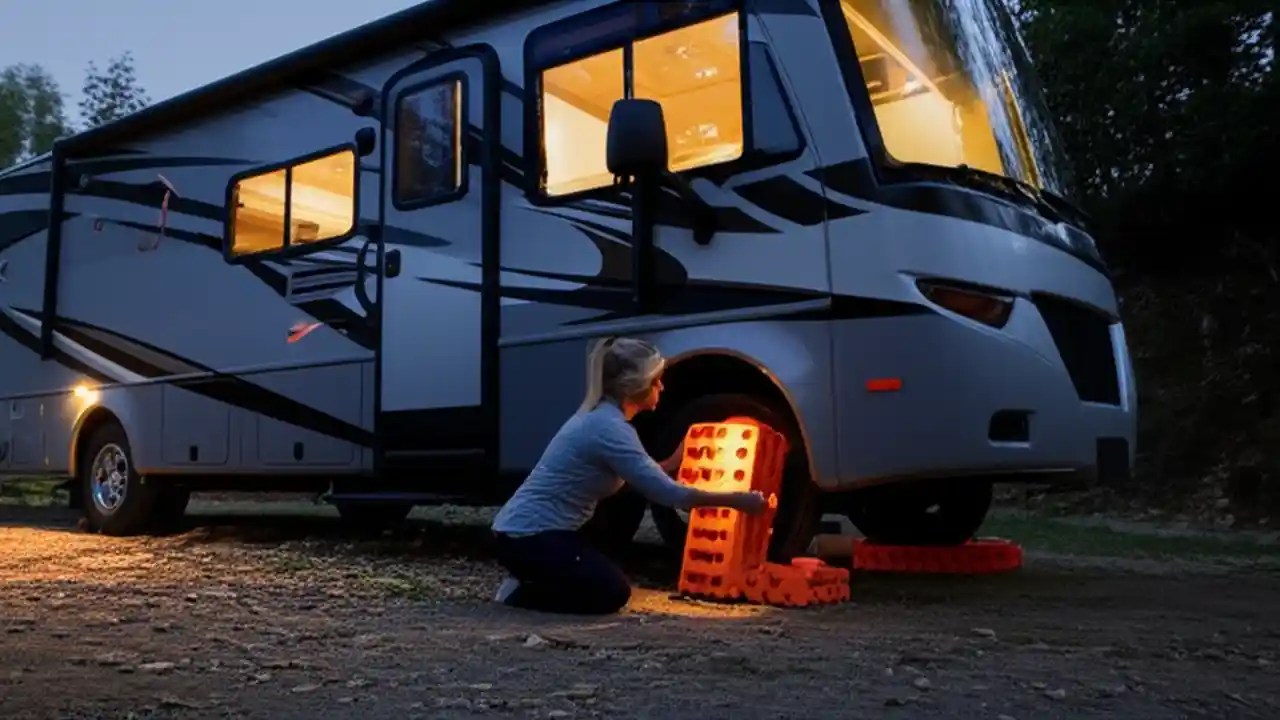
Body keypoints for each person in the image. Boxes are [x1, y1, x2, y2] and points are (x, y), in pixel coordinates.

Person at [489, 336, 768, 615]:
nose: (662, 387)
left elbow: (644, 475)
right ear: (634, 386)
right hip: (528, 537)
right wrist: (741, 501)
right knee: (612, 594)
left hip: (523, 533)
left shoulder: (602, 418)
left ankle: (546, 575)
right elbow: (670, 494)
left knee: (620, 514)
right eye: (656, 380)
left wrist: (674, 460)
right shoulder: (609, 428)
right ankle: (521, 593)